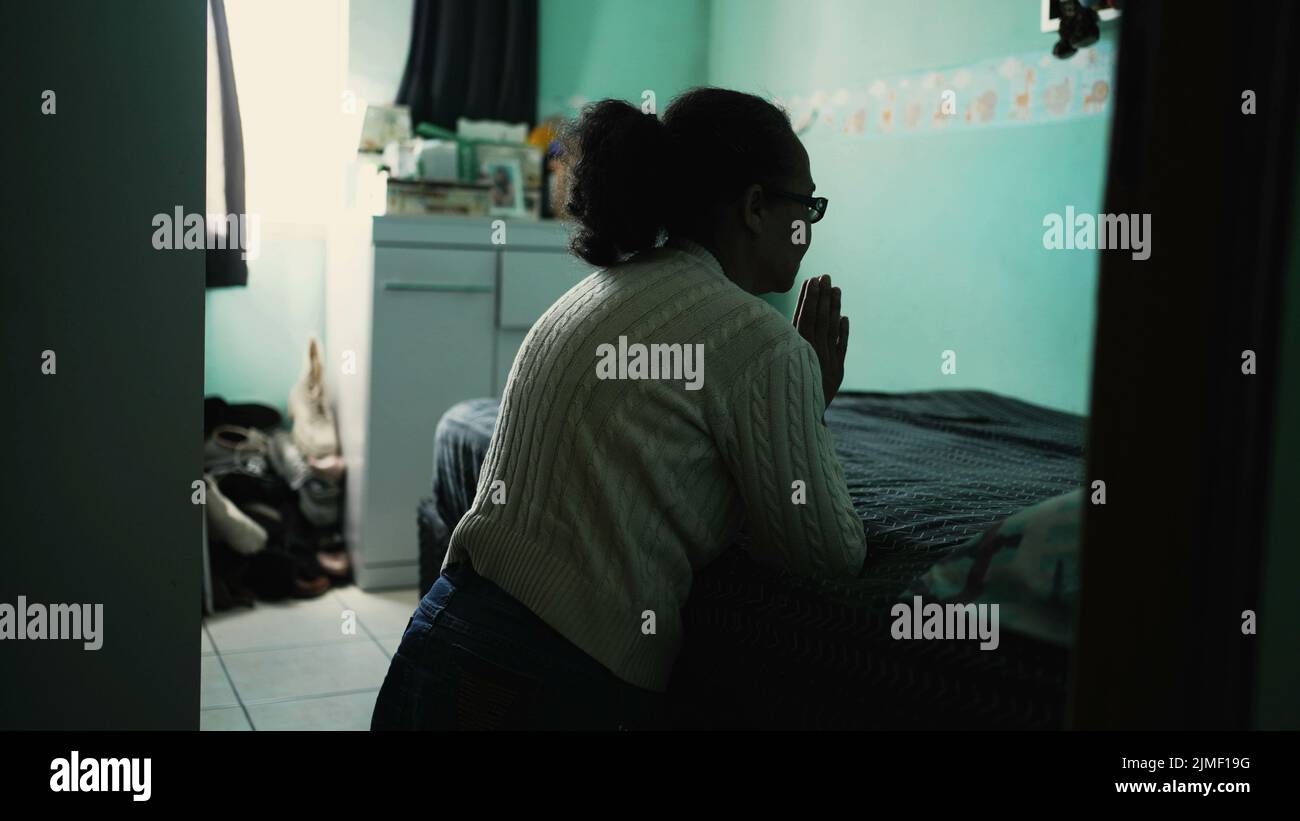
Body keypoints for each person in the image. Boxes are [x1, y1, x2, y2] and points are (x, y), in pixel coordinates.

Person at [371, 87, 865, 731]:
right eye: (807, 207)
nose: (809, 230)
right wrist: (807, 403)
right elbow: (829, 554)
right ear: (753, 207)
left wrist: (797, 405)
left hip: (438, 633)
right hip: (556, 679)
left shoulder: (590, 295)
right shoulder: (763, 344)